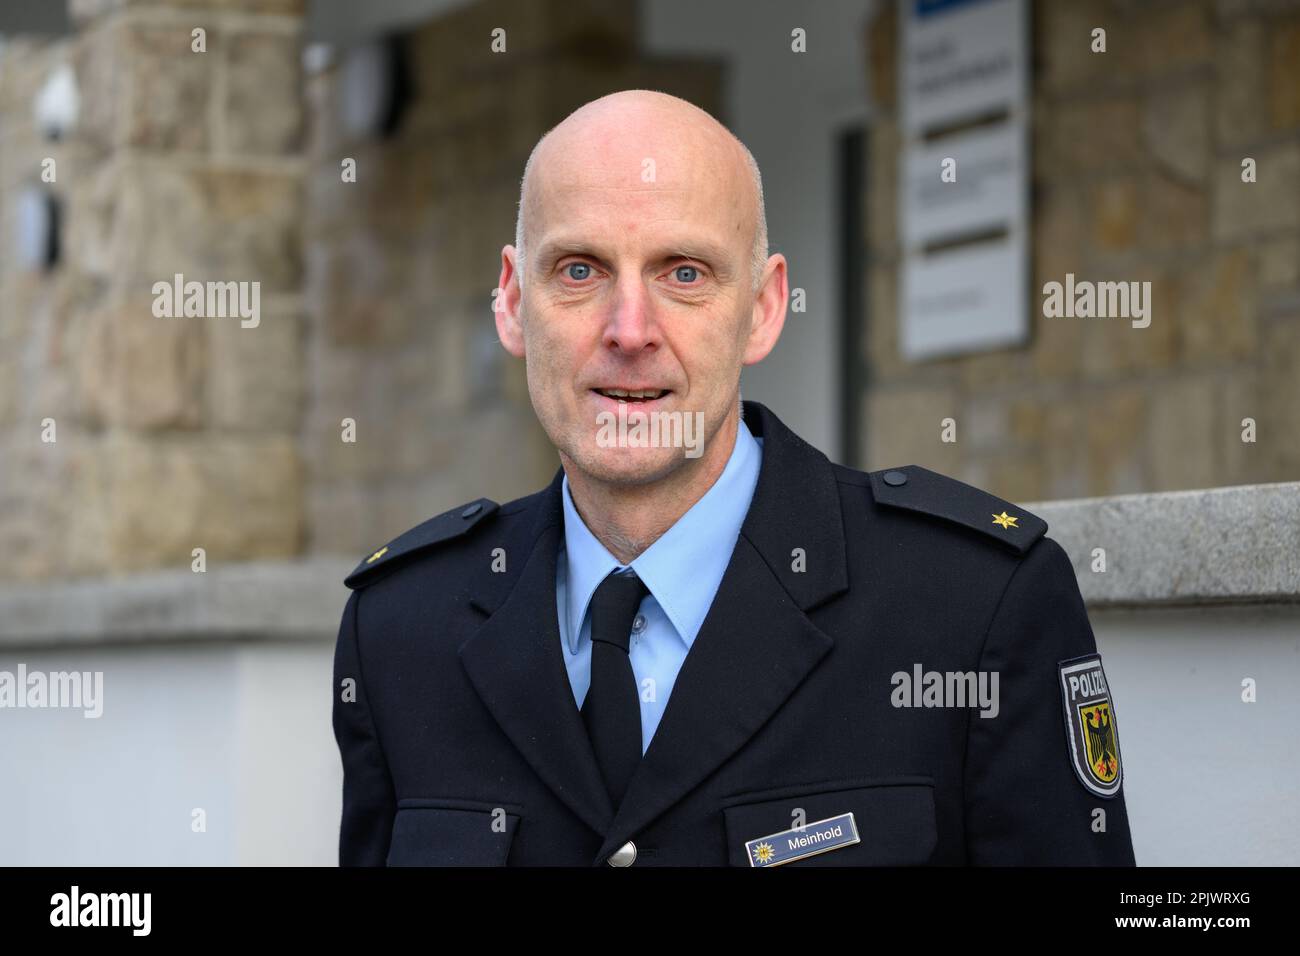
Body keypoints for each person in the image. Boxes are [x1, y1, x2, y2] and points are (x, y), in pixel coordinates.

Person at [331, 90, 1136, 867]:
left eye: (684, 273)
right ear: (512, 303)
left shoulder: (972, 608)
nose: (630, 331)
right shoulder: (402, 631)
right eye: (579, 270)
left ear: (763, 308)